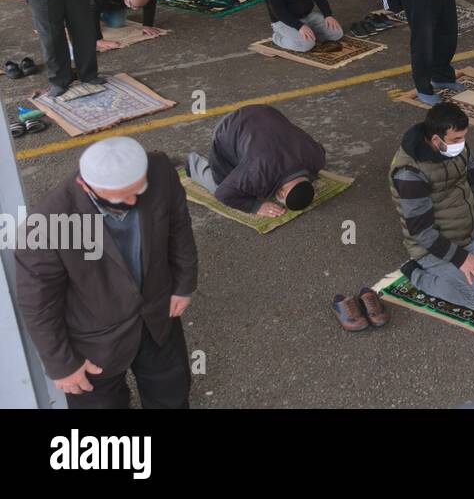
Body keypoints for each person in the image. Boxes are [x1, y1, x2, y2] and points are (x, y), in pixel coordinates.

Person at [16, 136, 198, 408]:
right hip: (94, 339)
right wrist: (63, 365)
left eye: (139, 190)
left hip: (157, 315)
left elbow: (179, 227)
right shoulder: (47, 224)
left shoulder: (160, 170)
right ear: (85, 185)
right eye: (121, 196)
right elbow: (38, 302)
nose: (133, 200)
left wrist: (184, 284)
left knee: (172, 393)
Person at [390, 102, 474, 307]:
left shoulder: (457, 149)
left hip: (473, 231)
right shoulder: (409, 174)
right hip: (434, 246)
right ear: (436, 140)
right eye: (456, 139)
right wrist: (459, 257)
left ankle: (470, 261)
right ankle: (417, 273)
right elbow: (421, 232)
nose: (462, 143)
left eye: (463, 136)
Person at [187, 105, 325, 216]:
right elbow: (223, 194)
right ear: (281, 193)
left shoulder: (317, 157)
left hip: (265, 111)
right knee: (220, 183)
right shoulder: (257, 174)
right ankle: (192, 164)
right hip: (227, 128)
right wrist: (256, 207)